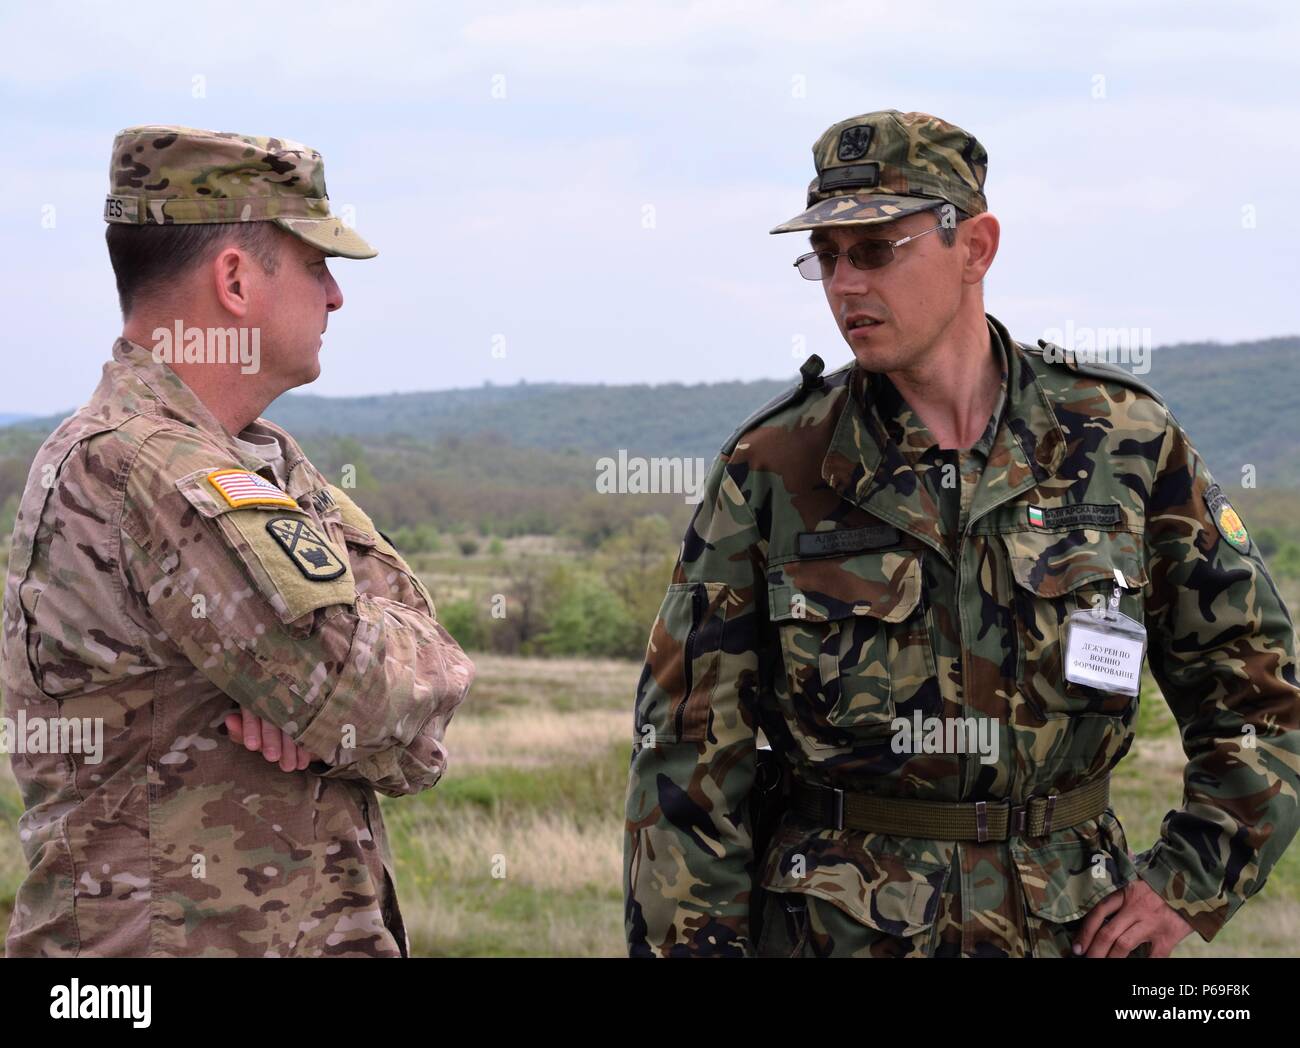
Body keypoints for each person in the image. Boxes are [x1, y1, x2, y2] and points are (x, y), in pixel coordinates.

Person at [622, 109, 1300, 958]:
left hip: (1069, 927)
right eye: (825, 258)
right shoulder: (777, 465)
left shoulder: (1120, 440)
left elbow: (1258, 687)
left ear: (974, 247)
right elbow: (687, 748)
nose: (844, 286)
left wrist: (1186, 884)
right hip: (838, 929)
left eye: (874, 251)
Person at [2, 125, 475, 957]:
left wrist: (336, 722)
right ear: (234, 279)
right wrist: (351, 721)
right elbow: (377, 705)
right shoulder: (149, 468)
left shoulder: (255, 457)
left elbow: (421, 669)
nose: (335, 297)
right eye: (316, 265)